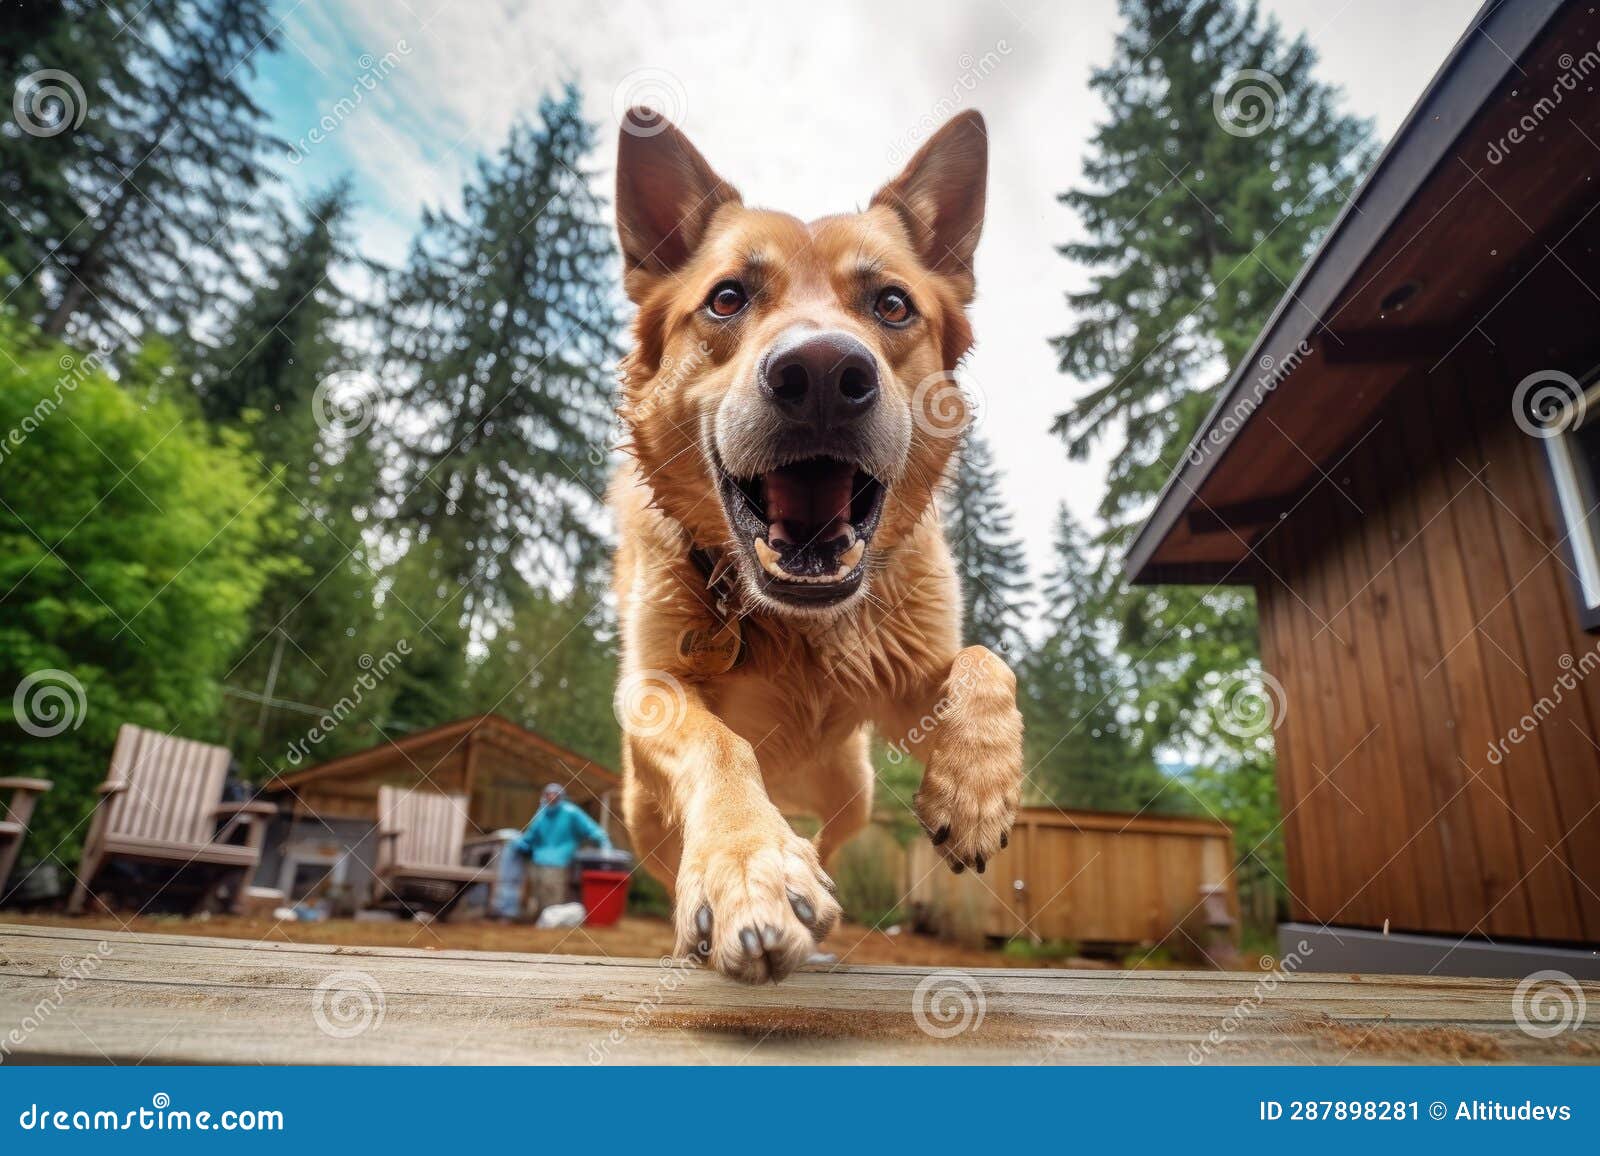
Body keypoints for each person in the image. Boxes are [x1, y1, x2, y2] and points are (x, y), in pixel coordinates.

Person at [492, 783, 611, 920]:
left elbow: (593, 830)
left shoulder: (571, 812)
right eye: (548, 794)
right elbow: (531, 836)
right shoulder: (542, 813)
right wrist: (518, 843)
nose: (551, 797)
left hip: (559, 862)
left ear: (562, 796)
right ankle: (539, 922)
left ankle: (552, 926)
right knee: (538, 895)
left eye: (555, 794)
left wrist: (604, 844)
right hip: (538, 861)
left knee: (552, 898)